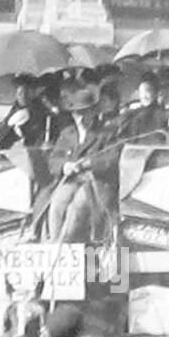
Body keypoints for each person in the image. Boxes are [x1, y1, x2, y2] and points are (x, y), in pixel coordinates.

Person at [43, 85, 118, 243]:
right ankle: (55, 244)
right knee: (57, 203)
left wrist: (89, 163)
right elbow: (54, 160)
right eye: (78, 113)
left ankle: (62, 245)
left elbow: (112, 159)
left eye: (85, 112)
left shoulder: (106, 133)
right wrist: (65, 166)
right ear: (73, 115)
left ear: (93, 112)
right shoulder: (67, 134)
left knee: (76, 208)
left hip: (96, 183)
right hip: (72, 180)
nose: (81, 117)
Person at [115, 71, 169, 145]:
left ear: (155, 93)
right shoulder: (131, 114)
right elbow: (122, 138)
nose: (144, 96)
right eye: (141, 92)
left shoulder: (166, 114)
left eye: (148, 91)